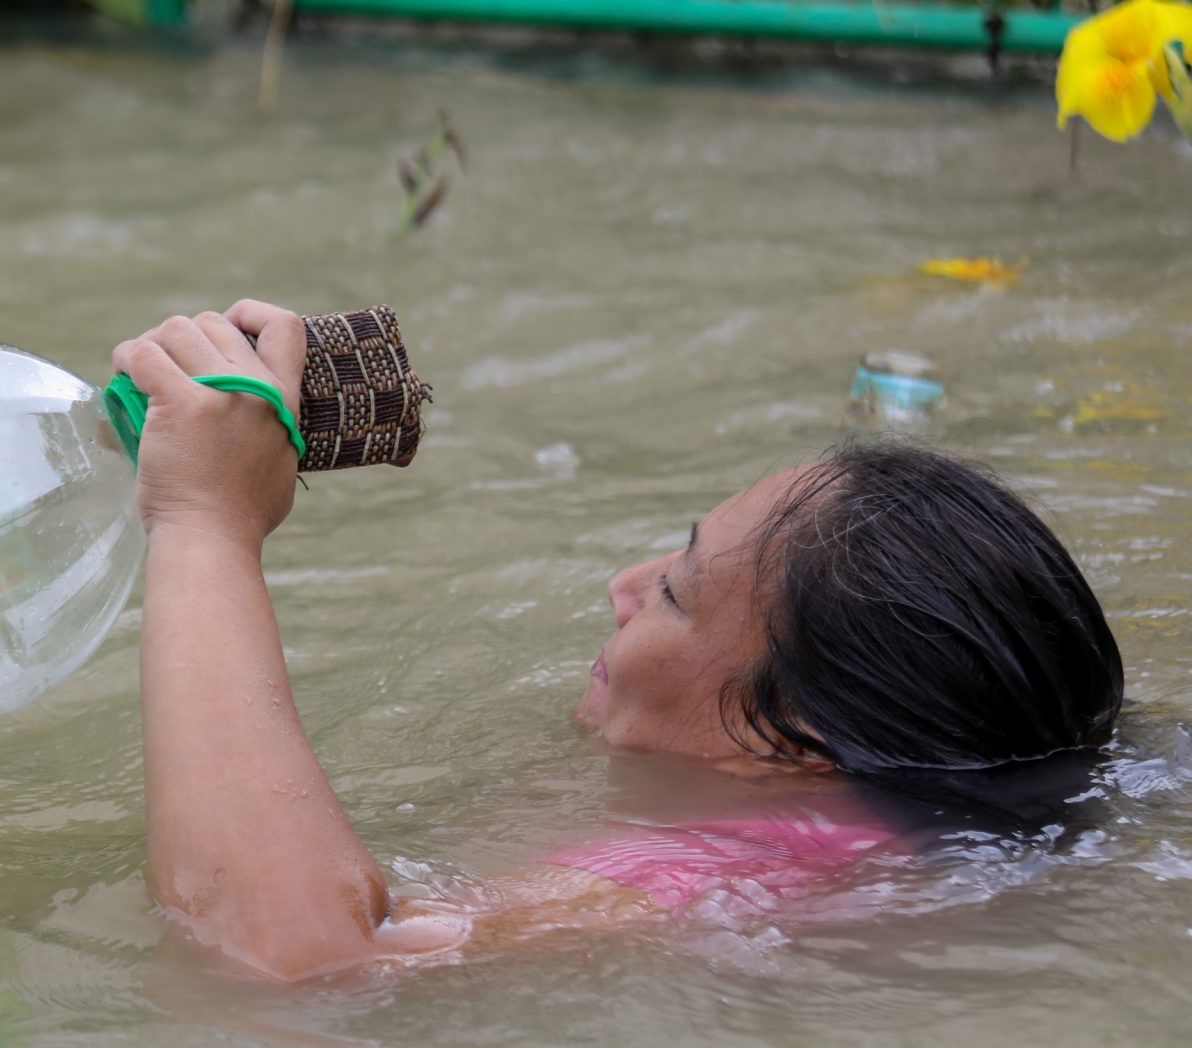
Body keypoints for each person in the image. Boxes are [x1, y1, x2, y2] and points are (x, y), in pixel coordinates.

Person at [112, 301, 1125, 982]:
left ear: (791, 740)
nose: (624, 587)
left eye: (677, 594)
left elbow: (306, 962)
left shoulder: (761, 857)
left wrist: (205, 522)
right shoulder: (852, 809)